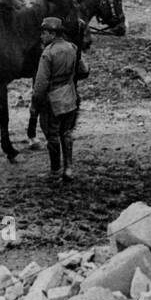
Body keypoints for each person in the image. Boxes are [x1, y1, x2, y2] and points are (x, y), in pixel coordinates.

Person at [32, 15, 89, 182]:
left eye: (44, 33)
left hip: (53, 100)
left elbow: (40, 84)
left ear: (51, 34)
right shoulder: (72, 48)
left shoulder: (47, 53)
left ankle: (55, 171)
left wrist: (35, 103)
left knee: (52, 135)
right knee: (67, 133)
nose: (41, 36)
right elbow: (84, 71)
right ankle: (69, 169)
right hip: (70, 96)